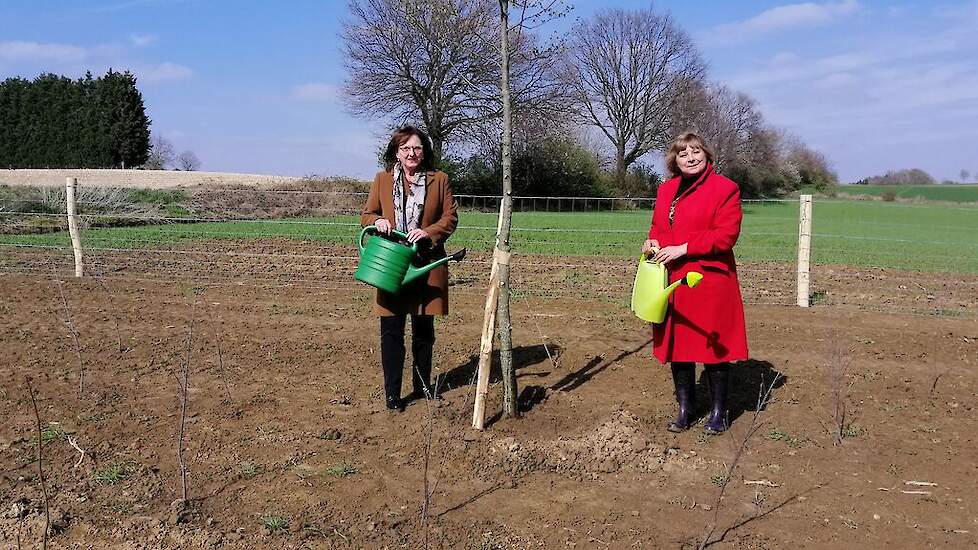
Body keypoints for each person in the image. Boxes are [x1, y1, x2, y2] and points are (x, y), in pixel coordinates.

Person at [642, 132, 748, 434]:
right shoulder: (666, 190)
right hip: (673, 279)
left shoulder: (725, 189)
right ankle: (686, 409)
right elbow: (658, 226)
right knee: (679, 347)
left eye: (696, 151)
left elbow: (726, 235)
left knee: (713, 346)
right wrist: (652, 242)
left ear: (707, 155)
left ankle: (718, 412)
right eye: (683, 153)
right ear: (674, 160)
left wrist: (684, 248)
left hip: (709, 280)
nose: (690, 157)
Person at [361, 126, 458, 412]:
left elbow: (450, 217)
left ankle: (422, 386)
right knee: (391, 330)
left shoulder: (439, 180)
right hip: (391, 265)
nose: (411, 153)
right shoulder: (381, 180)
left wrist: (428, 232)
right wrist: (377, 221)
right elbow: (367, 213)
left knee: (423, 330)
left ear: (424, 151)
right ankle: (393, 394)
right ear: (396, 152)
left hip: (425, 265)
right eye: (405, 148)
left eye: (416, 148)